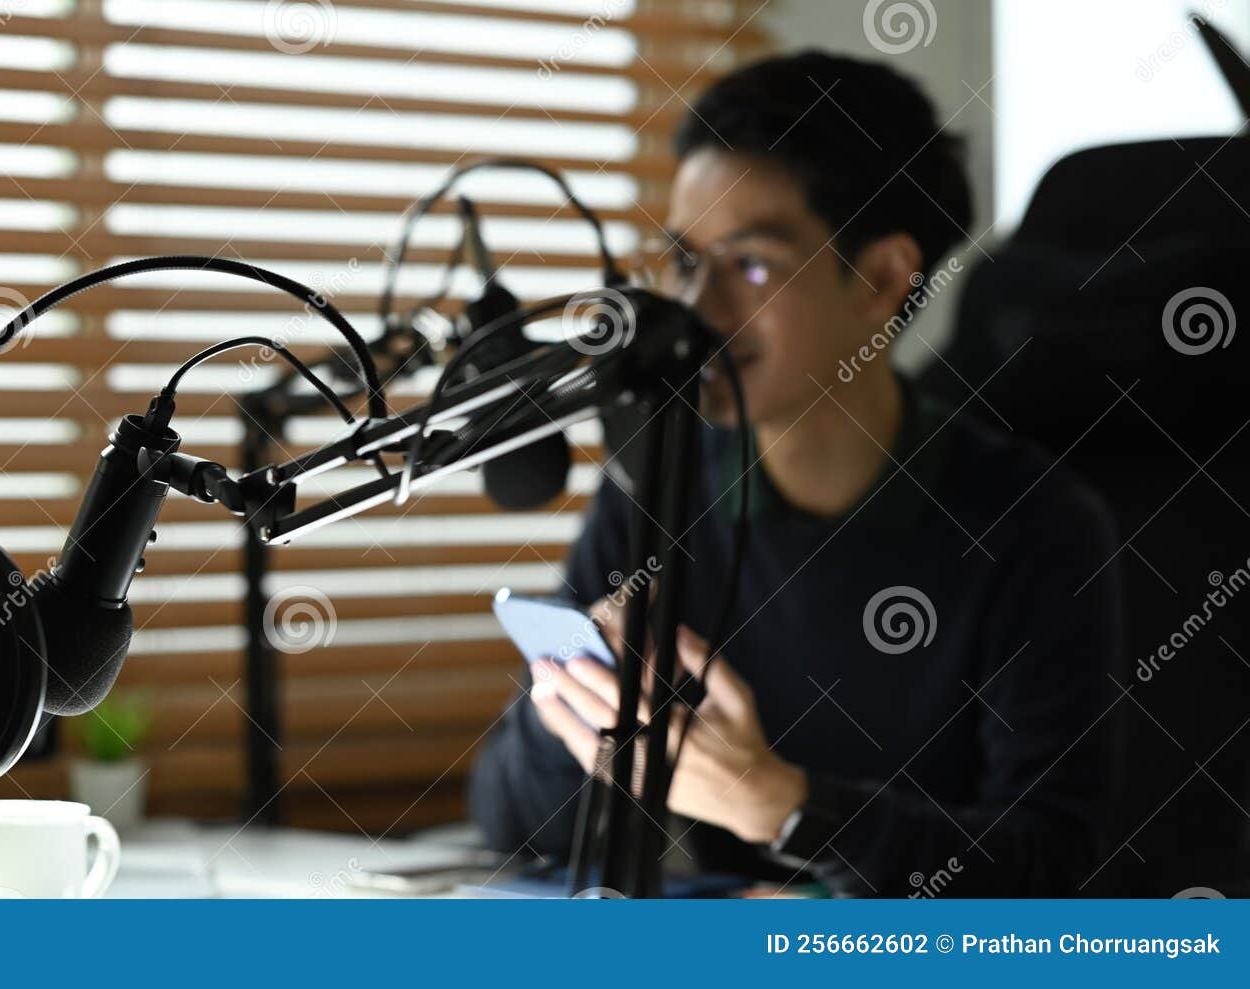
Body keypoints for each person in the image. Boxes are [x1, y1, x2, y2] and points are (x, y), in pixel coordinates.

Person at [468, 50, 1123, 896]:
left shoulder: (1035, 524)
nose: (698, 314)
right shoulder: (663, 484)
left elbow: (1048, 865)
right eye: (685, 262)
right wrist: (570, 716)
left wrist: (783, 808)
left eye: (748, 266)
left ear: (882, 278)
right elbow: (511, 824)